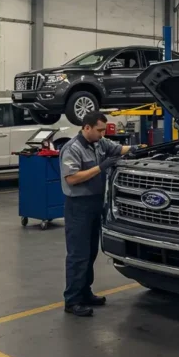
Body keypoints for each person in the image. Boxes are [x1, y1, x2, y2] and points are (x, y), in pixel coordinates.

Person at [59, 111, 132, 316]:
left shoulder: (99, 143)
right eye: (99, 130)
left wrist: (140, 149)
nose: (102, 134)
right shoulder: (72, 149)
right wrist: (101, 168)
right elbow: (72, 178)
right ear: (87, 127)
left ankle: (85, 292)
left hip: (96, 203)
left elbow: (118, 149)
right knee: (78, 255)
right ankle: (72, 301)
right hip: (78, 206)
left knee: (91, 252)